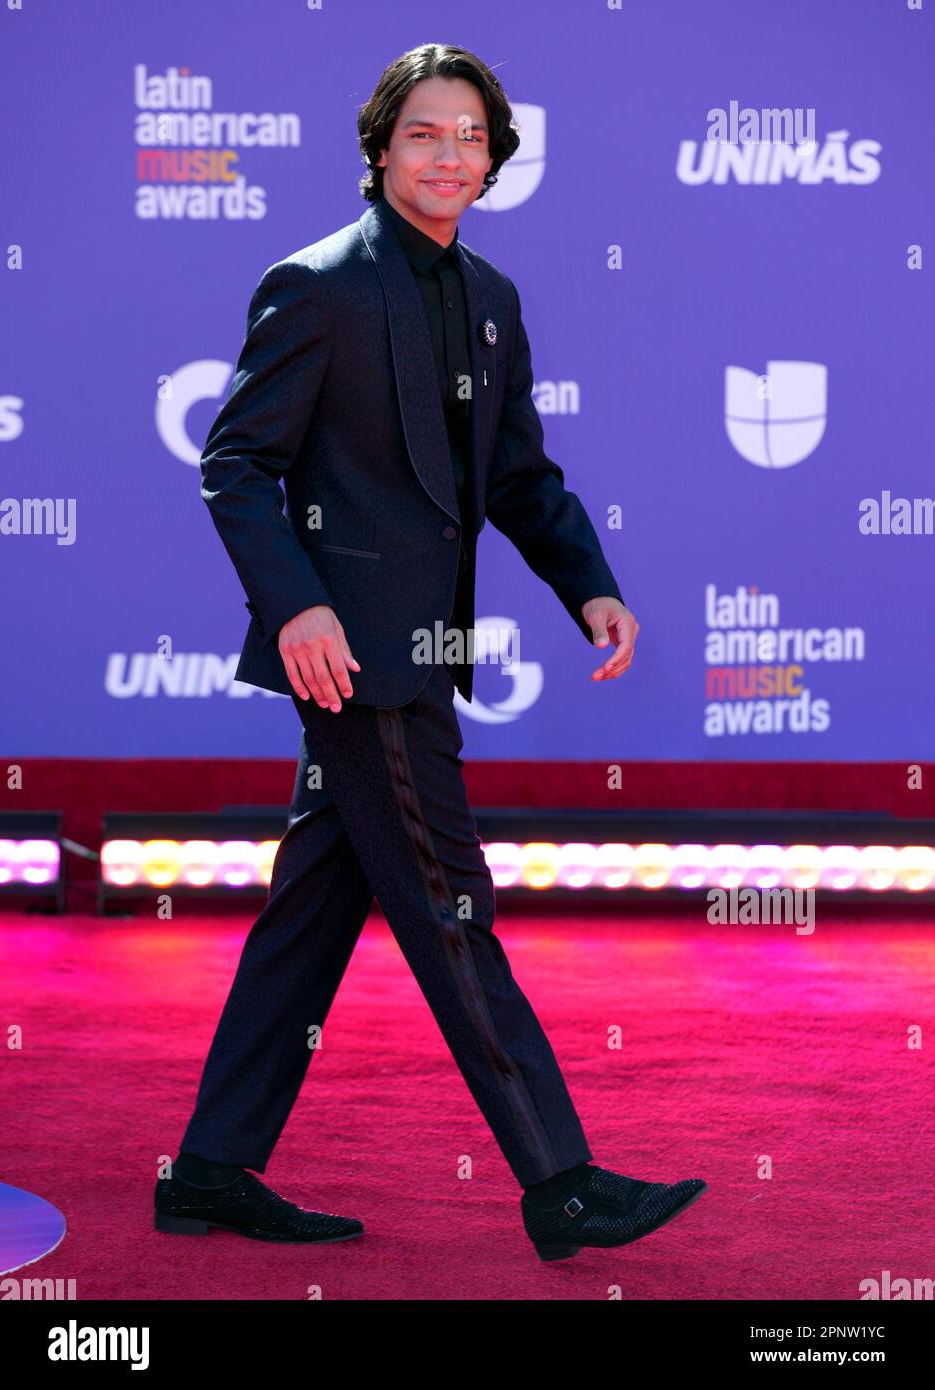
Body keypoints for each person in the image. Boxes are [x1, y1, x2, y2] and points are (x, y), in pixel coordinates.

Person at [154, 42, 705, 1262]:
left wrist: (588, 586)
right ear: (379, 148)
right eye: (423, 134)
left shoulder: (492, 299)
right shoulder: (316, 285)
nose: (448, 154)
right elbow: (235, 463)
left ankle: (204, 1171)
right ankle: (560, 1181)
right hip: (352, 660)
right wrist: (295, 607)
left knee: (309, 916)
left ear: (495, 157)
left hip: (424, 646)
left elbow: (515, 474)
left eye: (469, 137)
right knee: (454, 908)